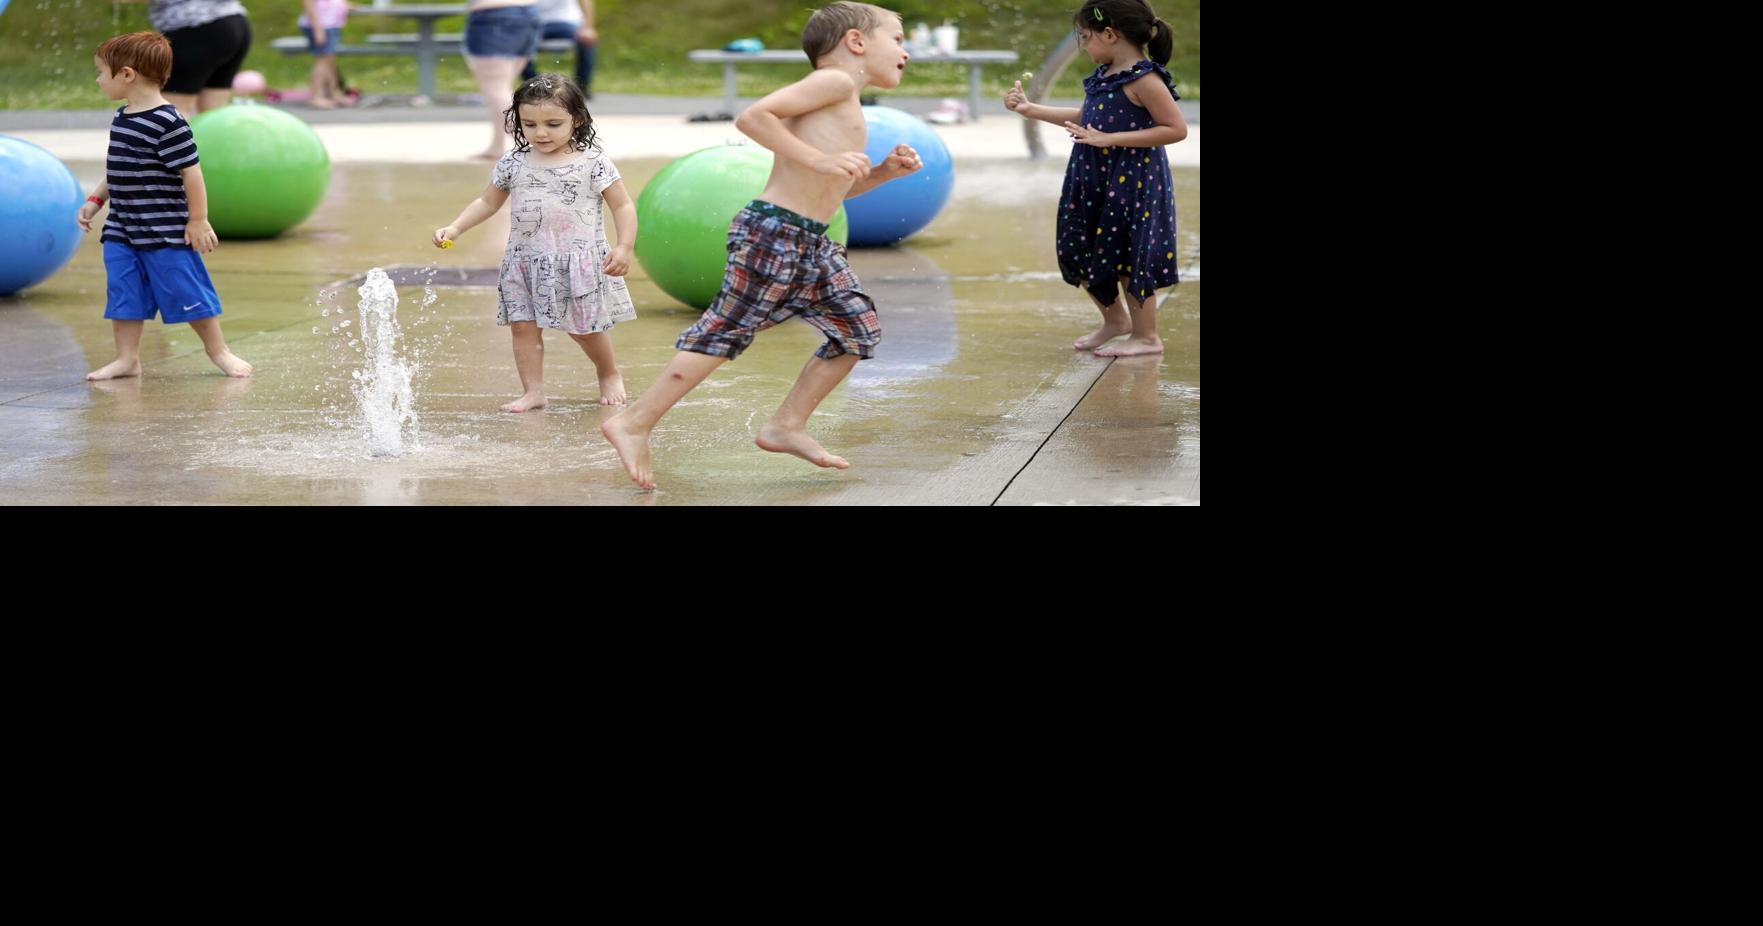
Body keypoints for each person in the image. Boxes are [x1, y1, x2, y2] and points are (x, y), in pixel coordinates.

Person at [601, 2, 921, 490]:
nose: (905, 51)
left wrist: (881, 173)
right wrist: (818, 159)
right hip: (773, 233)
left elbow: (831, 188)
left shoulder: (844, 98)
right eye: (897, 39)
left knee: (856, 331)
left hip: (811, 242)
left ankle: (786, 426)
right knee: (724, 332)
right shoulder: (835, 81)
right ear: (856, 42)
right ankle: (633, 422)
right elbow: (753, 118)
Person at [434, 74, 635, 411]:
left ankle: (608, 372)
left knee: (585, 329)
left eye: (553, 124)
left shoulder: (592, 162)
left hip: (576, 262)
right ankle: (533, 391)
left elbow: (623, 205)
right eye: (529, 124)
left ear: (577, 120)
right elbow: (488, 202)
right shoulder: (513, 162)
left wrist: (624, 247)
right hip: (524, 262)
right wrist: (455, 228)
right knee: (522, 328)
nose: (540, 133)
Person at [1004, 0, 1187, 355]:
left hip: (1132, 180)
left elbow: (1175, 128)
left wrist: (1111, 139)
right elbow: (1087, 115)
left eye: (1086, 37)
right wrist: (1030, 109)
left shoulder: (1145, 79)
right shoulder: (1105, 75)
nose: (1084, 46)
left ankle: (1146, 337)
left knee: (1129, 254)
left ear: (1110, 34)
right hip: (1093, 176)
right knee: (1079, 245)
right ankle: (1115, 321)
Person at [78, 31, 252, 381]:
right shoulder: (123, 116)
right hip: (122, 229)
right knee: (124, 294)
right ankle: (127, 359)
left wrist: (198, 220)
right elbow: (119, 166)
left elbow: (191, 172)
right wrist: (96, 200)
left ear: (127, 74)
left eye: (101, 72)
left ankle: (219, 352)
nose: (98, 80)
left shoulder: (169, 121)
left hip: (165, 230)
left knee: (188, 291)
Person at [463, 0, 542, 159]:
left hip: (493, 14)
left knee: (497, 91)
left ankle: (531, 146)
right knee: (503, 89)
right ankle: (497, 145)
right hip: (529, 13)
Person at [521, 0, 596, 100]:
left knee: (586, 40)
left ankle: (582, 88)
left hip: (568, 22)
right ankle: (537, 85)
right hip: (538, 23)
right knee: (520, 43)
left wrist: (588, 28)